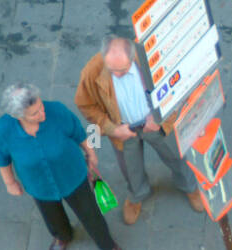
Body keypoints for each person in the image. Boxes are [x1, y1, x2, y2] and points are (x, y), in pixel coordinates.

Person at [0, 83, 125, 250]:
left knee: (90, 214)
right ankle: (62, 237)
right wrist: (10, 182)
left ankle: (108, 245)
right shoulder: (3, 130)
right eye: (34, 113)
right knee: (52, 217)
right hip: (38, 184)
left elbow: (78, 133)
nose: (42, 114)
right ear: (17, 116)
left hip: (73, 176)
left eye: (41, 107)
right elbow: (2, 157)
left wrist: (91, 154)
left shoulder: (56, 111)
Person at [75, 36, 204, 225]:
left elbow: (178, 85)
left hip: (155, 124)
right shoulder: (91, 71)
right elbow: (86, 105)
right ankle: (137, 195)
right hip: (123, 130)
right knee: (130, 169)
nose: (117, 75)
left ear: (133, 57)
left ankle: (190, 186)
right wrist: (113, 129)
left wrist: (159, 116)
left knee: (176, 155)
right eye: (113, 71)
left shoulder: (153, 58)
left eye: (123, 70)